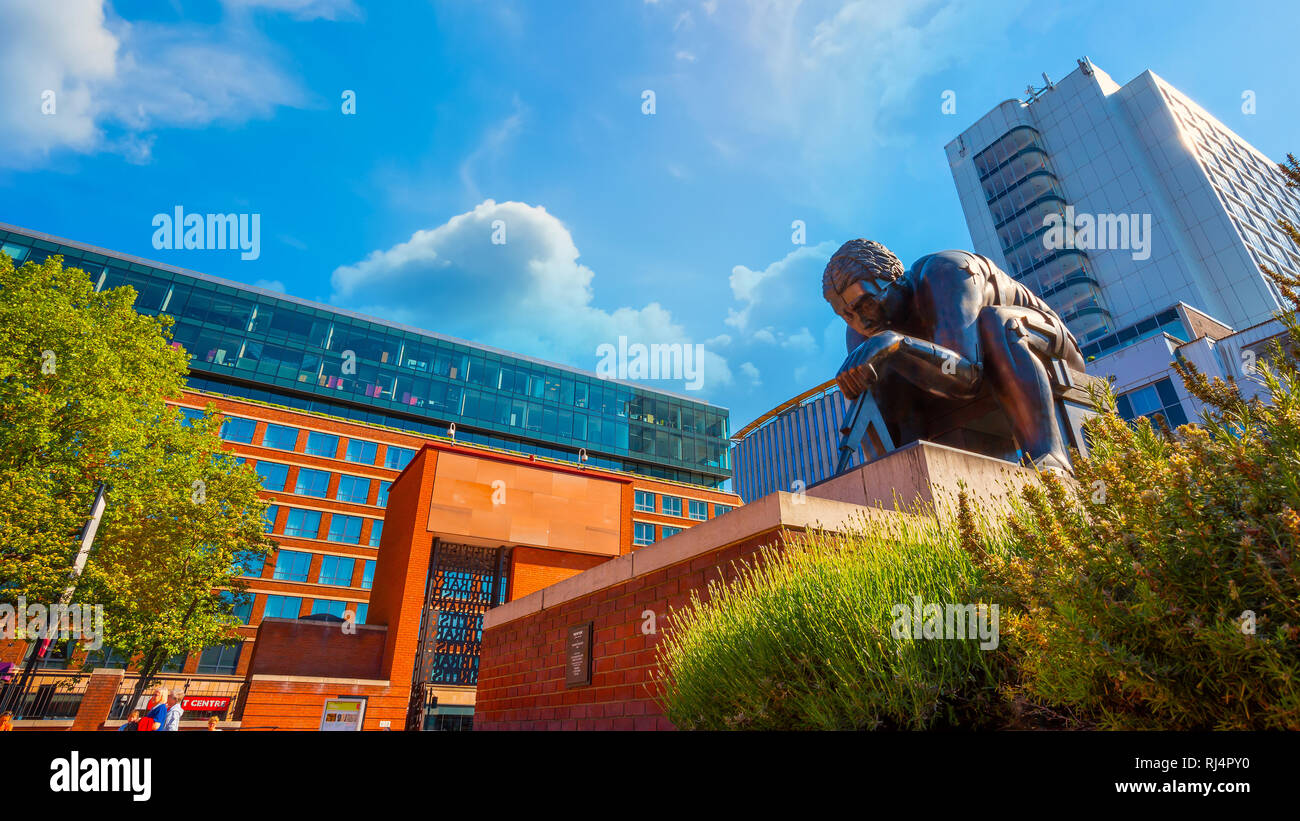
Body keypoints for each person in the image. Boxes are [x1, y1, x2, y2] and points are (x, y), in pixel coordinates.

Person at [823, 240, 1086, 473]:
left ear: (897, 279)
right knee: (870, 370)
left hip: (1040, 339)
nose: (863, 321)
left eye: (867, 302)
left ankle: (1048, 458)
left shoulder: (945, 273)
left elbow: (968, 378)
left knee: (997, 323)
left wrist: (898, 345)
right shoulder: (860, 333)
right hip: (958, 368)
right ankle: (901, 477)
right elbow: (883, 407)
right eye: (848, 315)